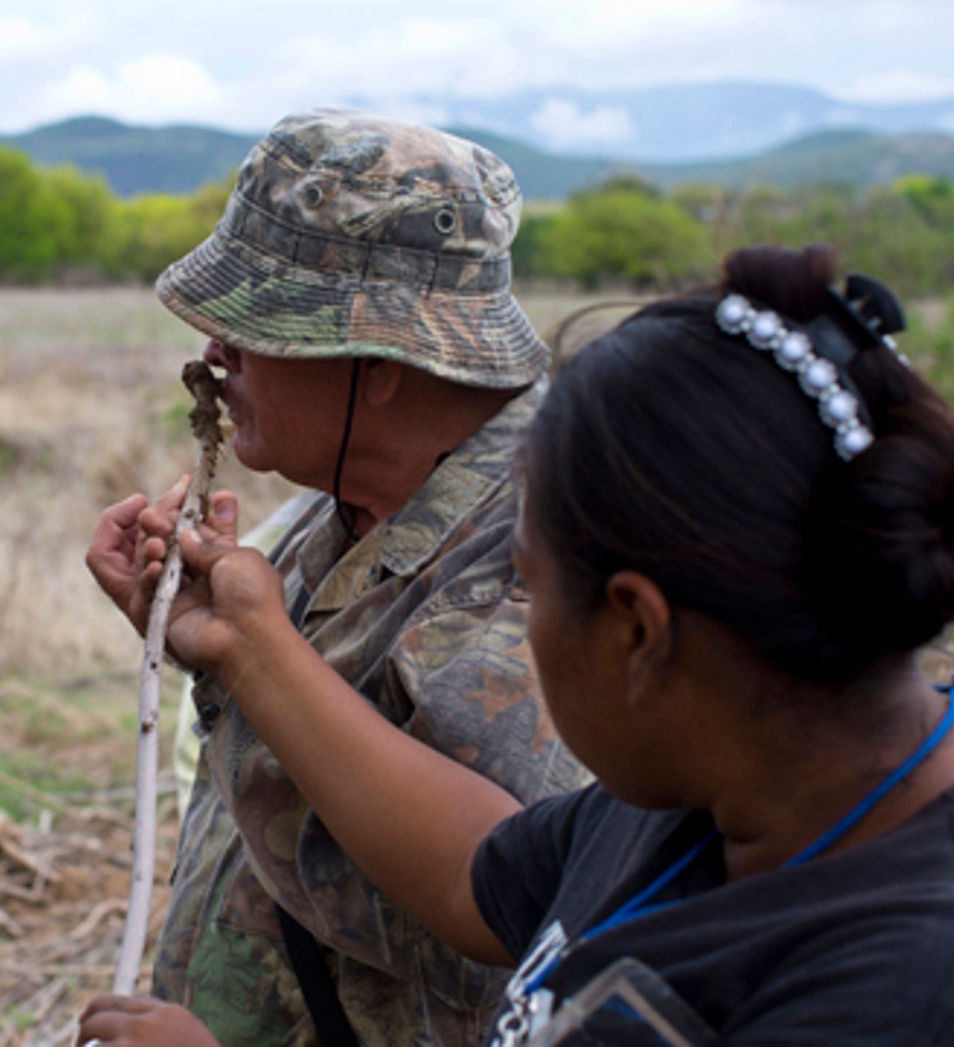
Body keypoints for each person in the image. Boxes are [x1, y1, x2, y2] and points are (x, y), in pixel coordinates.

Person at [79, 244, 954, 1045]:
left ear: (639, 629)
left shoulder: (937, 992)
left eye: (533, 586)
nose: (521, 617)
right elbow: (474, 877)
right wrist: (248, 649)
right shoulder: (724, 807)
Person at [86, 108, 587, 1045]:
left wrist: (252, 655)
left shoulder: (552, 561)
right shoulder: (346, 498)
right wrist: (217, 641)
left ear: (380, 359)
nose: (212, 360)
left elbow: (499, 908)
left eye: (247, 330)